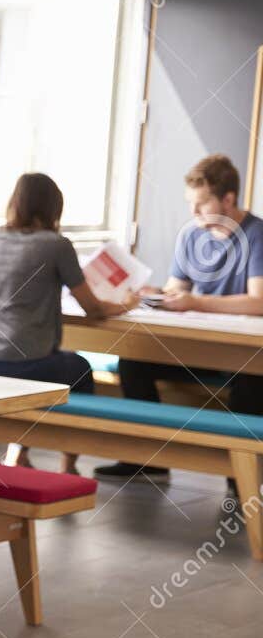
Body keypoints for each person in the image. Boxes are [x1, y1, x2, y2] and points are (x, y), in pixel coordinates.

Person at [97, 153, 263, 481]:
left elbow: (259, 302)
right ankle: (148, 459)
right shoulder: (192, 235)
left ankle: (240, 481)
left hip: (242, 354)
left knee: (252, 380)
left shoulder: (257, 235)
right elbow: (177, 290)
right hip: (198, 347)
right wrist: (153, 294)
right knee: (133, 361)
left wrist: (196, 302)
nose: (194, 212)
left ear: (228, 199)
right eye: (191, 204)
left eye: (201, 204)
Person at [0, 172, 137, 473]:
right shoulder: (57, 245)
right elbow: (93, 309)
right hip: (21, 364)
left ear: (14, 203)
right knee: (80, 369)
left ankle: (20, 454)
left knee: (46, 365)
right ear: (54, 208)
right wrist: (127, 303)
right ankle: (68, 463)